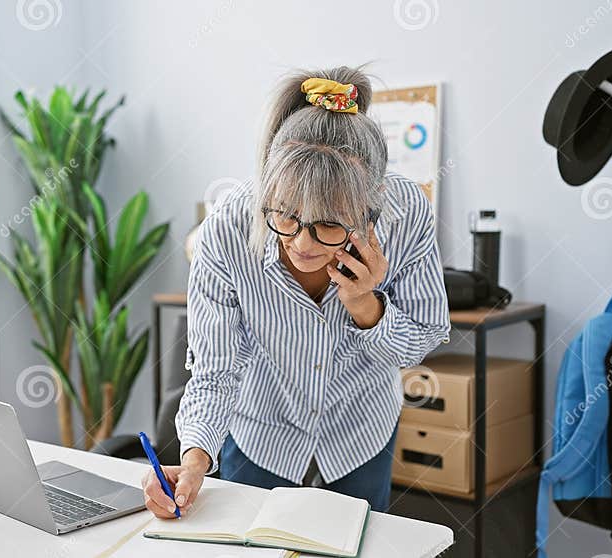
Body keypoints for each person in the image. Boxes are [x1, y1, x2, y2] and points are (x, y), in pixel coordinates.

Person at [141, 66, 451, 518]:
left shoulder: (405, 216)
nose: (302, 244)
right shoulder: (227, 230)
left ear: (372, 205)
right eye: (285, 215)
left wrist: (366, 304)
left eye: (328, 224)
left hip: (360, 428)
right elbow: (215, 371)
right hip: (261, 432)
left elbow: (423, 339)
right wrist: (194, 461)